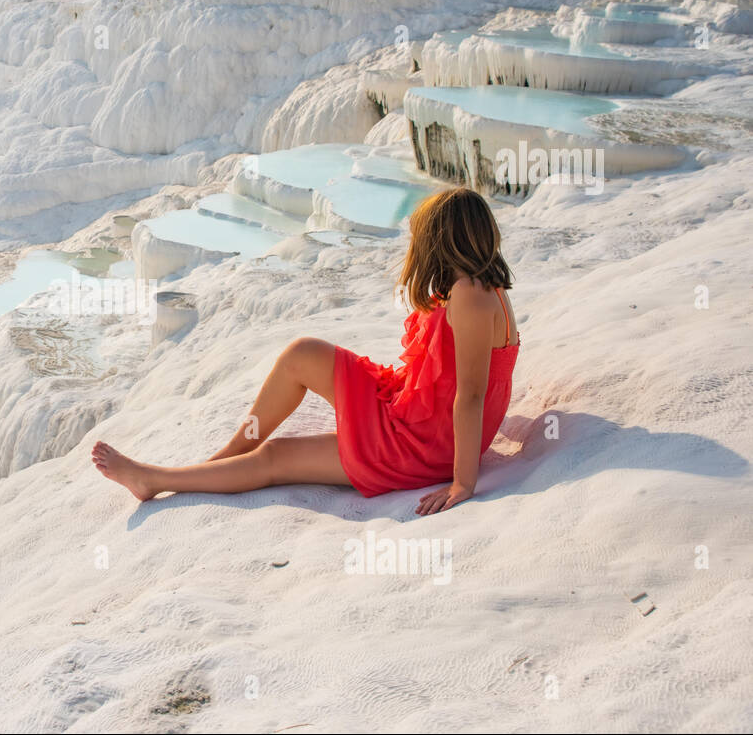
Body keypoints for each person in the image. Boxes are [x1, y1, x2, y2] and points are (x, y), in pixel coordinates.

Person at [92, 188, 522, 515]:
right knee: (304, 353)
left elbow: (471, 395)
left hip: (422, 445)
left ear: (440, 241)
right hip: (417, 415)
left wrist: (462, 483)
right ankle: (226, 457)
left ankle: (155, 480)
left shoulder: (471, 295)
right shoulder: (482, 288)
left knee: (278, 457)